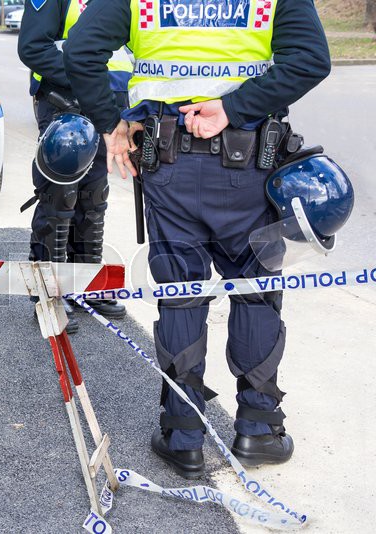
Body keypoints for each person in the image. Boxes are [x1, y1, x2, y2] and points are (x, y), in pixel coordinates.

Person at [63, 0, 332, 478]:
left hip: (169, 165)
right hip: (250, 167)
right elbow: (310, 59)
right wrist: (234, 107)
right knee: (254, 291)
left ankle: (182, 435)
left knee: (180, 295)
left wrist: (112, 125)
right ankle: (260, 430)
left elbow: (82, 52)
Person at [18, 0, 133, 333]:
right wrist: (87, 79)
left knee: (94, 197)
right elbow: (33, 47)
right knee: (60, 198)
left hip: (109, 104)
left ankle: (87, 286)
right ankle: (49, 294)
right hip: (64, 101)